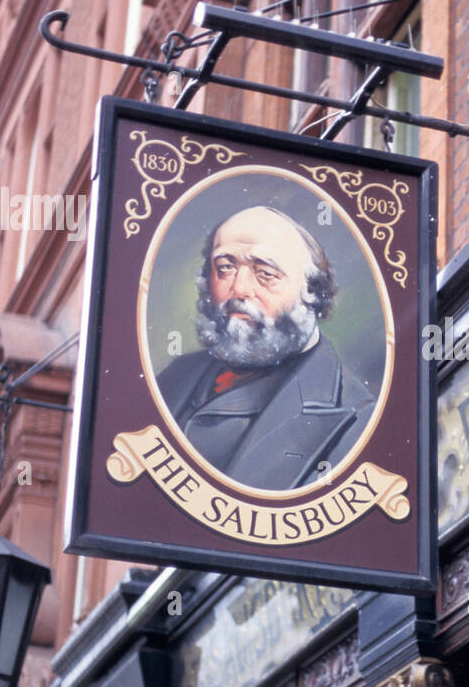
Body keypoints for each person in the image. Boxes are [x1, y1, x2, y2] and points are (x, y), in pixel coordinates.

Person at [156, 205, 375, 489]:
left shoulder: (357, 416)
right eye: (225, 268)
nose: (240, 288)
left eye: (266, 273)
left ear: (312, 291)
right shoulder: (176, 376)